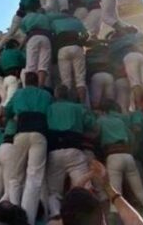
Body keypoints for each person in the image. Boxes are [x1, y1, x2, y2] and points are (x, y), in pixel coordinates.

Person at [96, 100, 143, 220]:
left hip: (113, 156)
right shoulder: (120, 121)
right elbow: (131, 138)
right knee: (142, 195)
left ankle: (116, 222)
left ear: (103, 111)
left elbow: (96, 135)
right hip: (128, 156)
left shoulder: (101, 120)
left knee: (116, 196)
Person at [5, 72, 53, 225]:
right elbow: (51, 114)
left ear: (25, 82)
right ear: (37, 81)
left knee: (15, 177)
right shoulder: (46, 95)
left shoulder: (18, 94)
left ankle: (14, 215)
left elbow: (7, 111)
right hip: (39, 135)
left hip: (21, 133)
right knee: (34, 178)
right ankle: (28, 220)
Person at [45, 85, 96, 219]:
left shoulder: (49, 108)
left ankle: (56, 215)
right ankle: (86, 217)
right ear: (68, 95)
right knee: (84, 187)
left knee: (53, 192)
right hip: (75, 150)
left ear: (56, 95)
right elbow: (91, 124)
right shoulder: (78, 108)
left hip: (54, 152)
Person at [49, 7, 89, 103]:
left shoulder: (55, 22)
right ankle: (82, 104)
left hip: (62, 49)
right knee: (80, 80)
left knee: (66, 81)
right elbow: (86, 35)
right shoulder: (77, 21)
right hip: (77, 47)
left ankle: (68, 103)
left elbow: (52, 35)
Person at [108, 27, 143, 111]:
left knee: (135, 83)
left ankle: (138, 106)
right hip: (140, 56)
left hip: (129, 57)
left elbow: (112, 60)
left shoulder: (114, 44)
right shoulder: (132, 37)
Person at [21, 9, 53, 89]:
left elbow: (24, 29)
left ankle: (29, 88)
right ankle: (40, 87)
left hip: (33, 38)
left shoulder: (28, 17)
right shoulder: (46, 18)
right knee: (43, 66)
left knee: (31, 66)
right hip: (46, 38)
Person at [86, 39, 115, 111]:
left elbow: (87, 68)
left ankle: (98, 115)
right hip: (109, 76)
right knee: (110, 101)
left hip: (96, 76)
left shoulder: (89, 53)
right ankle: (111, 115)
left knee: (96, 103)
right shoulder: (106, 52)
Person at [0, 39, 25, 109]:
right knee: (9, 102)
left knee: (5, 100)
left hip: (5, 79)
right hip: (14, 78)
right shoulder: (16, 52)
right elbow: (24, 63)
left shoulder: (2, 55)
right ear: (15, 45)